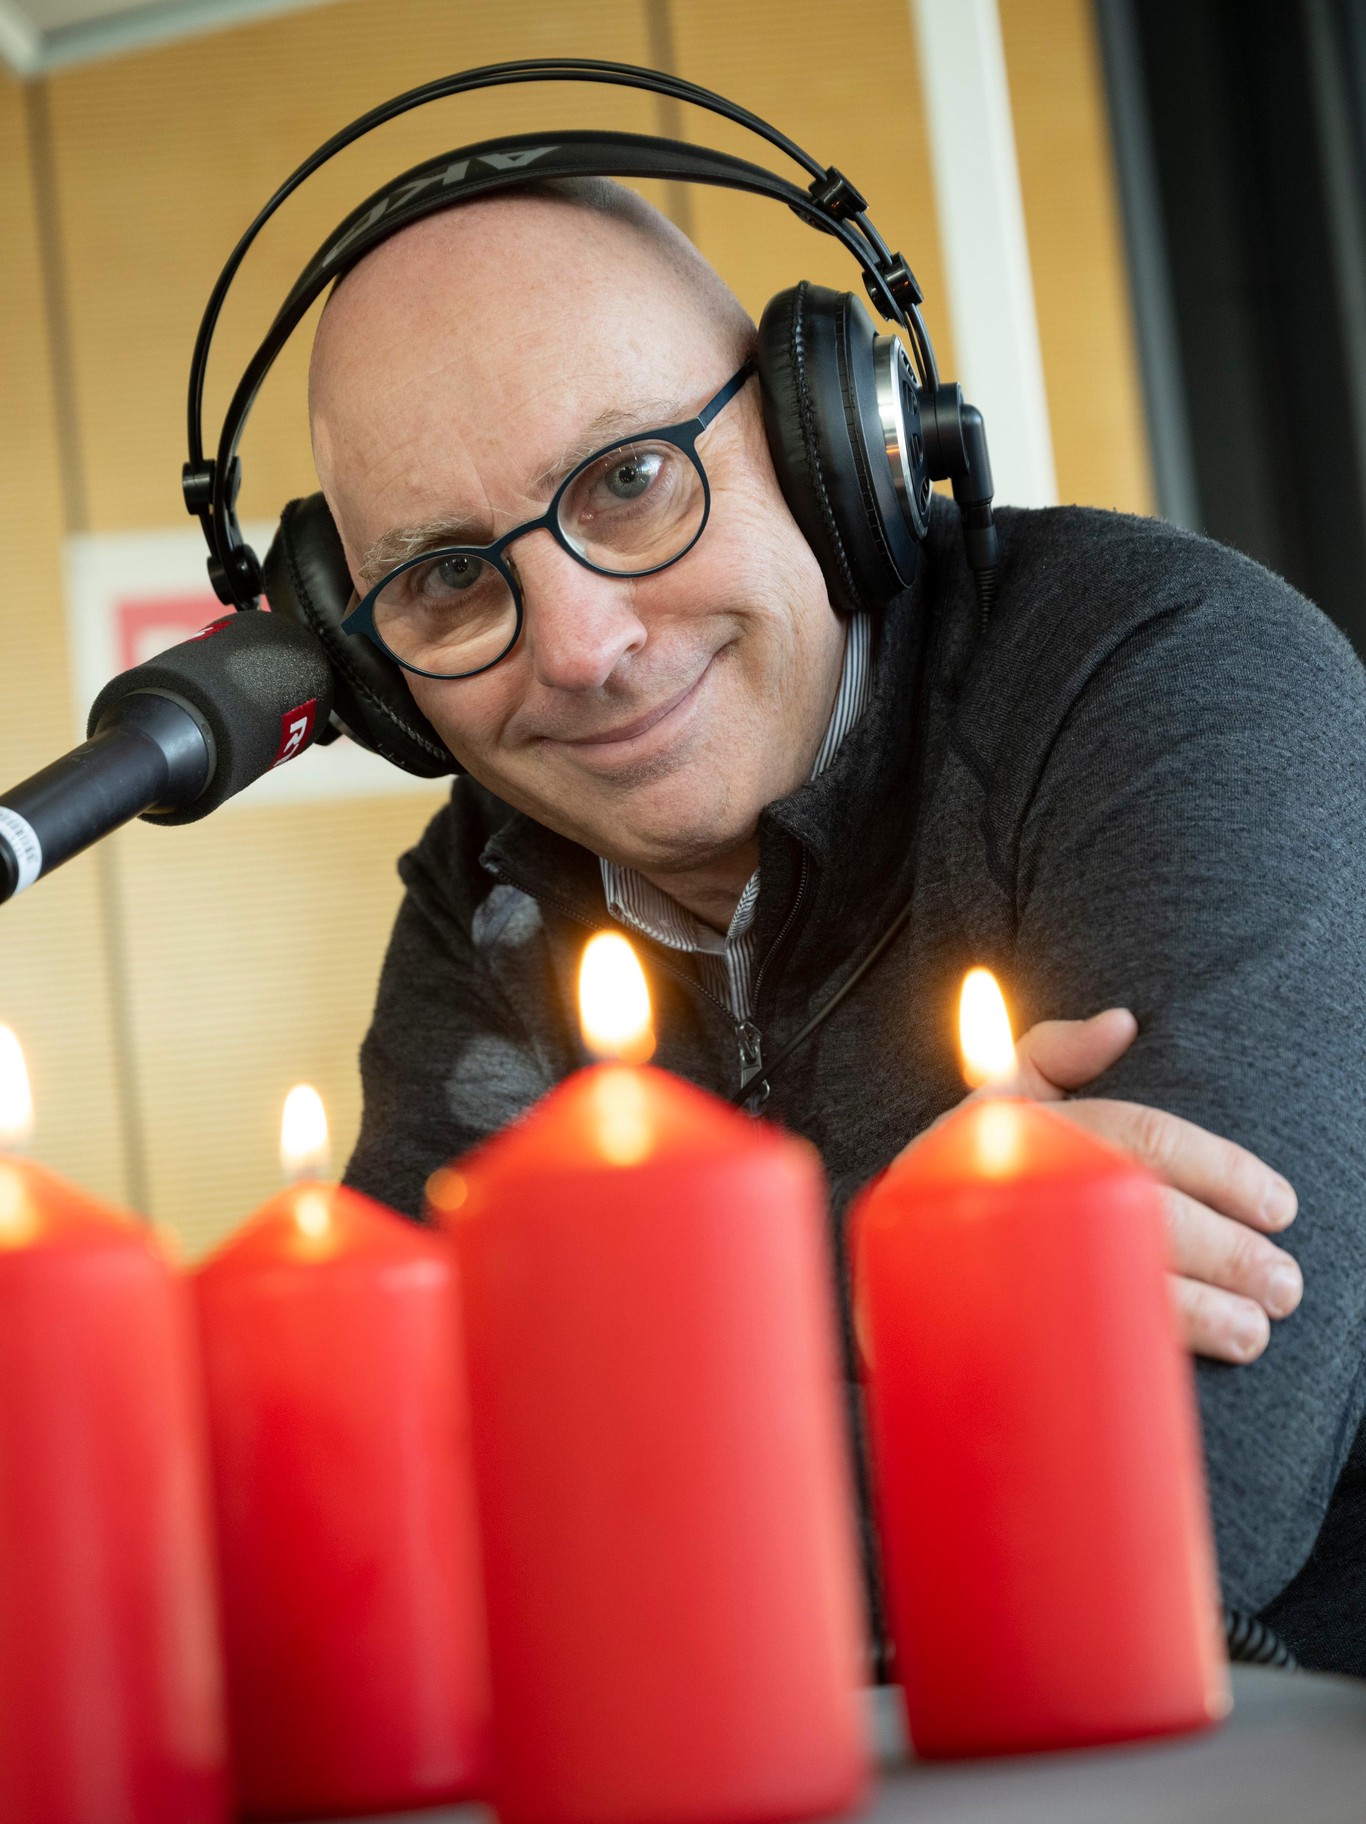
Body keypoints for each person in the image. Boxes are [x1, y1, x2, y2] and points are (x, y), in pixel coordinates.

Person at [312, 177, 1366, 1674]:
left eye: (628, 481)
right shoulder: (478, 890)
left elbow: (1164, 1505)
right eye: (450, 577)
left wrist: (576, 1371)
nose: (581, 648)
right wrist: (873, 1274)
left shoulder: (1172, 684)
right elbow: (355, 1519)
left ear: (827, 439)